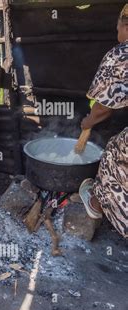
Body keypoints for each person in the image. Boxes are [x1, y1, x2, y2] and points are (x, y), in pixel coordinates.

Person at [79, 4, 128, 237]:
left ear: (124, 24)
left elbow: (104, 106)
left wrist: (89, 121)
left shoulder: (120, 54)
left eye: (117, 26)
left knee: (112, 152)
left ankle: (98, 203)